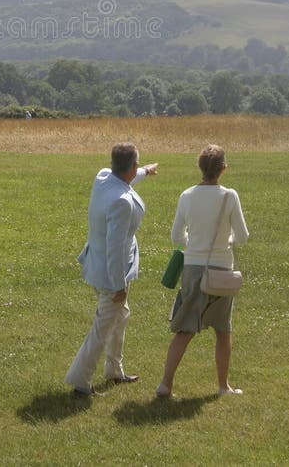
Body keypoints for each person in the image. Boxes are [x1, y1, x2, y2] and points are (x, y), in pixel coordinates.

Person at [156, 144, 249, 398]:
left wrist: (195, 245)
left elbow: (176, 235)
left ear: (200, 167)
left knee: (184, 330)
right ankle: (223, 386)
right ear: (223, 169)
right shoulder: (230, 196)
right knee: (223, 330)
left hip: (192, 269)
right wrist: (226, 242)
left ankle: (165, 384)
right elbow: (242, 235)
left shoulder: (186, 195)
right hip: (222, 271)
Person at [65, 142, 158, 395]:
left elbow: (123, 178)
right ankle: (80, 381)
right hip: (111, 275)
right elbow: (115, 248)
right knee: (103, 327)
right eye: (137, 165)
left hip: (95, 265)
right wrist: (118, 286)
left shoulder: (103, 177)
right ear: (132, 165)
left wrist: (145, 171)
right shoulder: (122, 203)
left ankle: (114, 370)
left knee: (120, 316)